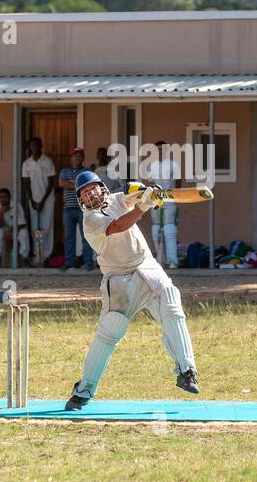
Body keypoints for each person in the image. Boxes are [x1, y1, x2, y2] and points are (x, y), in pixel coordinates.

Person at [64, 171, 198, 410]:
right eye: (85, 193)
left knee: (171, 303)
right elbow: (119, 225)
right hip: (118, 281)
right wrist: (144, 207)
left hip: (147, 267)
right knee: (110, 331)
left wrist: (147, 192)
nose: (90, 193)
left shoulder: (115, 200)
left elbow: (129, 194)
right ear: (81, 201)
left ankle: (186, 370)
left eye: (93, 188)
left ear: (102, 188)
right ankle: (84, 389)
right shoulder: (91, 221)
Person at [141, 140, 184, 268]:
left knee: (169, 229)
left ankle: (172, 261)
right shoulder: (151, 165)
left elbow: (178, 182)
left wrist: (173, 194)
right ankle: (161, 261)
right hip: (155, 200)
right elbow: (150, 182)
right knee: (156, 229)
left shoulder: (173, 164)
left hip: (169, 199)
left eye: (162, 149)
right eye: (158, 149)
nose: (160, 152)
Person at [58, 147, 96, 270]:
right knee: (69, 237)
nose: (77, 158)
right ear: (71, 158)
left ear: (83, 158)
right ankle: (69, 263)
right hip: (68, 208)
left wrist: (72, 183)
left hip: (83, 208)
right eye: (75, 156)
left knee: (86, 235)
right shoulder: (65, 171)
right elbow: (62, 183)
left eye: (80, 156)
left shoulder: (87, 171)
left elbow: (89, 185)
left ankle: (88, 262)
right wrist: (79, 183)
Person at [21, 137, 57, 264]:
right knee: (35, 229)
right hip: (34, 201)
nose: (35, 148)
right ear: (30, 147)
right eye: (32, 145)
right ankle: (38, 255)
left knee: (46, 227)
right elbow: (26, 183)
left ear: (41, 146)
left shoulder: (47, 161)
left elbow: (52, 182)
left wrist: (42, 201)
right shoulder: (26, 164)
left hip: (47, 200)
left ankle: (46, 255)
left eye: (37, 145)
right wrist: (31, 200)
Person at [0, 187, 29, 265]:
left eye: (5, 197)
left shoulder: (16, 205)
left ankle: (24, 258)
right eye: (1, 197)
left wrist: (10, 231)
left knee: (24, 233)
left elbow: (22, 223)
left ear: (9, 197)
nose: (3, 199)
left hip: (16, 229)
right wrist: (1, 212)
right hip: (4, 229)